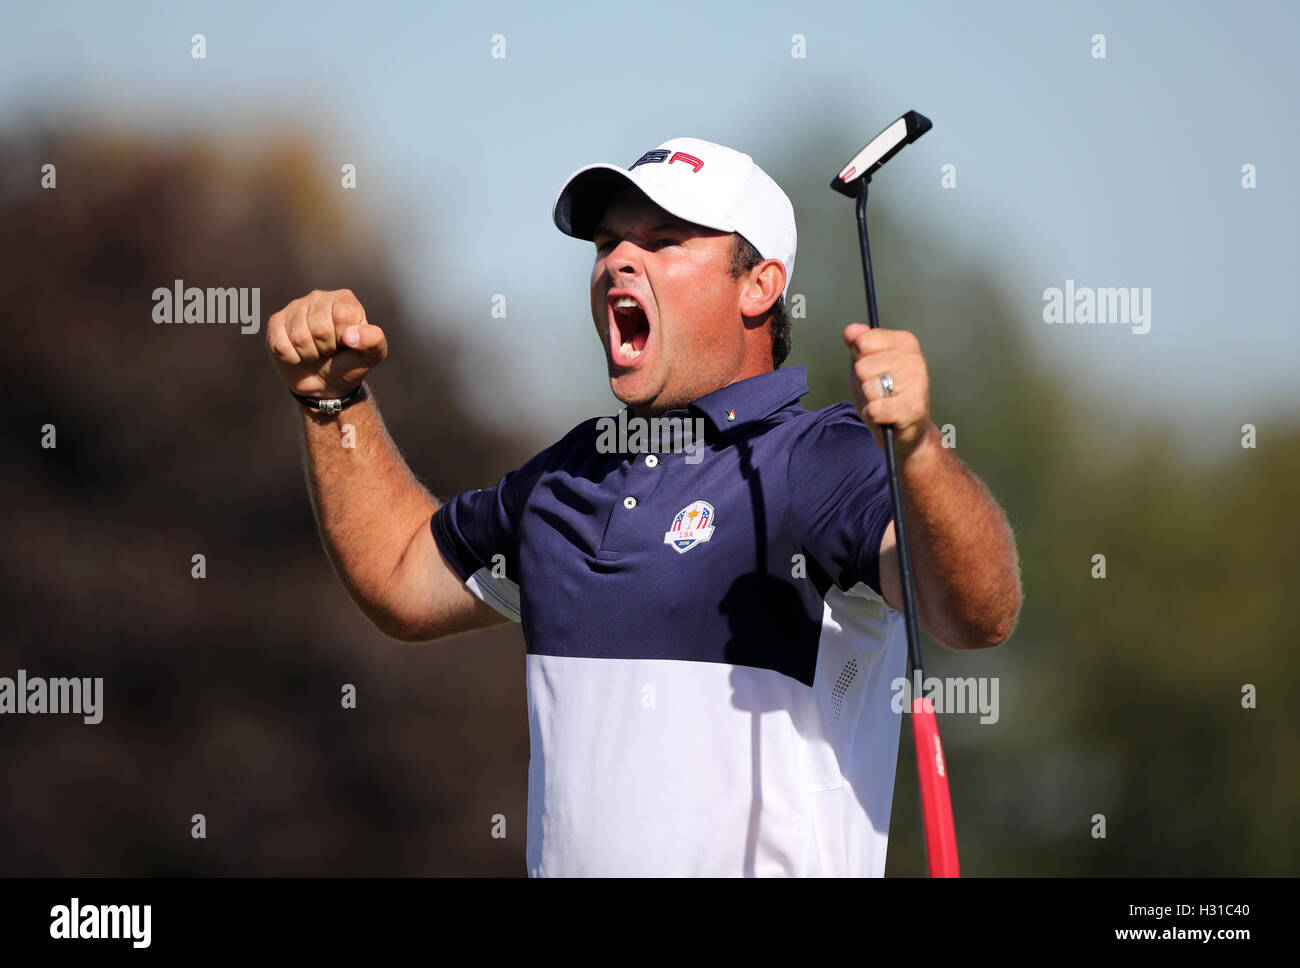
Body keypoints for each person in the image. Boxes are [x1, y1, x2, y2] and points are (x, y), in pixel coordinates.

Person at [265, 137, 1022, 876]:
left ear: (759, 285)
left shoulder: (818, 459)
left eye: (662, 241)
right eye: (608, 244)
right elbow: (400, 576)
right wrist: (333, 401)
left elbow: (977, 613)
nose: (618, 262)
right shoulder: (565, 476)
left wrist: (918, 450)